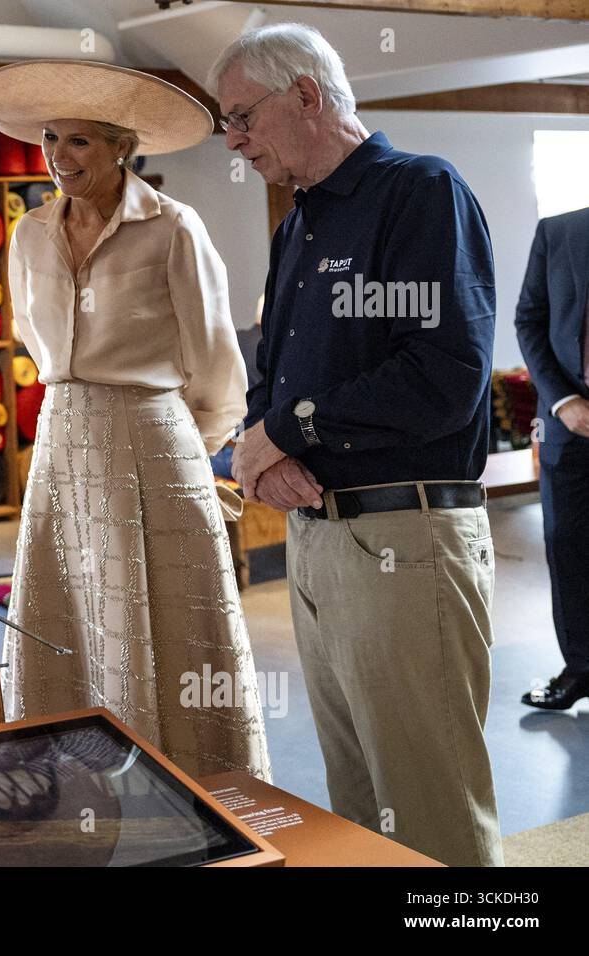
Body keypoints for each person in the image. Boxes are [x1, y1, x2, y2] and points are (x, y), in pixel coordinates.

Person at [212, 23, 502, 866]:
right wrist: (263, 452)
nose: (233, 140)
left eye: (241, 116)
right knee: (361, 810)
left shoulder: (419, 193)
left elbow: (444, 376)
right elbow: (272, 379)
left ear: (306, 94)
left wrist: (287, 431)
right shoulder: (297, 226)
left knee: (429, 807)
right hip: (320, 539)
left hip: (406, 543)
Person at [0, 60, 272, 781]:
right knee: (67, 617)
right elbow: (35, 345)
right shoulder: (29, 234)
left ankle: (194, 786)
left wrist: (180, 459)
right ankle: (75, 781)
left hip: (156, 439)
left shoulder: (174, 228)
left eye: (79, 142)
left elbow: (218, 365)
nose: (59, 157)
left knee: (170, 625)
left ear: (119, 147)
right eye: (50, 138)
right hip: (64, 439)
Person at [515, 207, 589, 710]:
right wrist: (565, 402)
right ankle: (581, 668)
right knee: (568, 549)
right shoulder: (558, 232)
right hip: (568, 423)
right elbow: (529, 319)